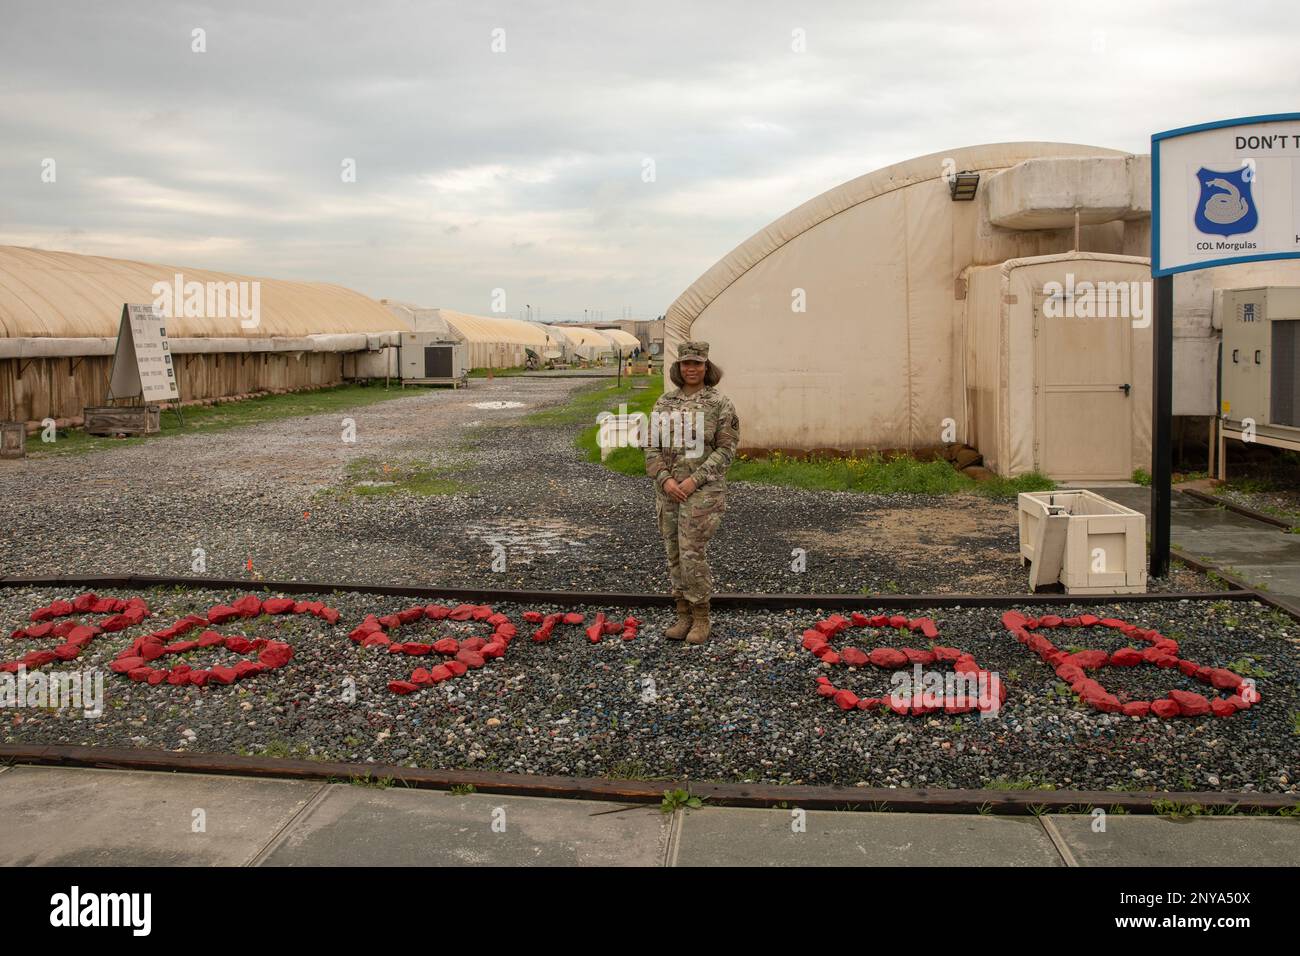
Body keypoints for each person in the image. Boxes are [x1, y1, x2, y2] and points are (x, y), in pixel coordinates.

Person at [644, 340, 740, 643]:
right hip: (669, 491)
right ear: (678, 367)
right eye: (686, 363)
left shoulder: (719, 404)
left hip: (702, 491)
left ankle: (701, 618)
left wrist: (693, 480)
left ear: (707, 367)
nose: (692, 369)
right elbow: (650, 445)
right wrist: (665, 479)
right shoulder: (665, 403)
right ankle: (682, 614)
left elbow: (726, 450)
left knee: (691, 552)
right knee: (673, 551)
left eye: (697, 363)